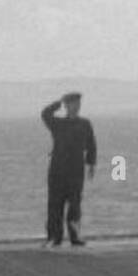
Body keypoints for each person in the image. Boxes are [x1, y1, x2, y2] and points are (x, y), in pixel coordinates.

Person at [41, 92, 97, 248]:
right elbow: (45, 114)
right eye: (73, 103)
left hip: (75, 171)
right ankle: (54, 237)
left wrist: (91, 164)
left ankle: (75, 237)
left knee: (75, 206)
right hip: (57, 170)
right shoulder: (57, 123)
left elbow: (91, 144)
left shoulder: (85, 123)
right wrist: (58, 102)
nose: (77, 106)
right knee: (54, 205)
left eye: (78, 103)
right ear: (67, 105)